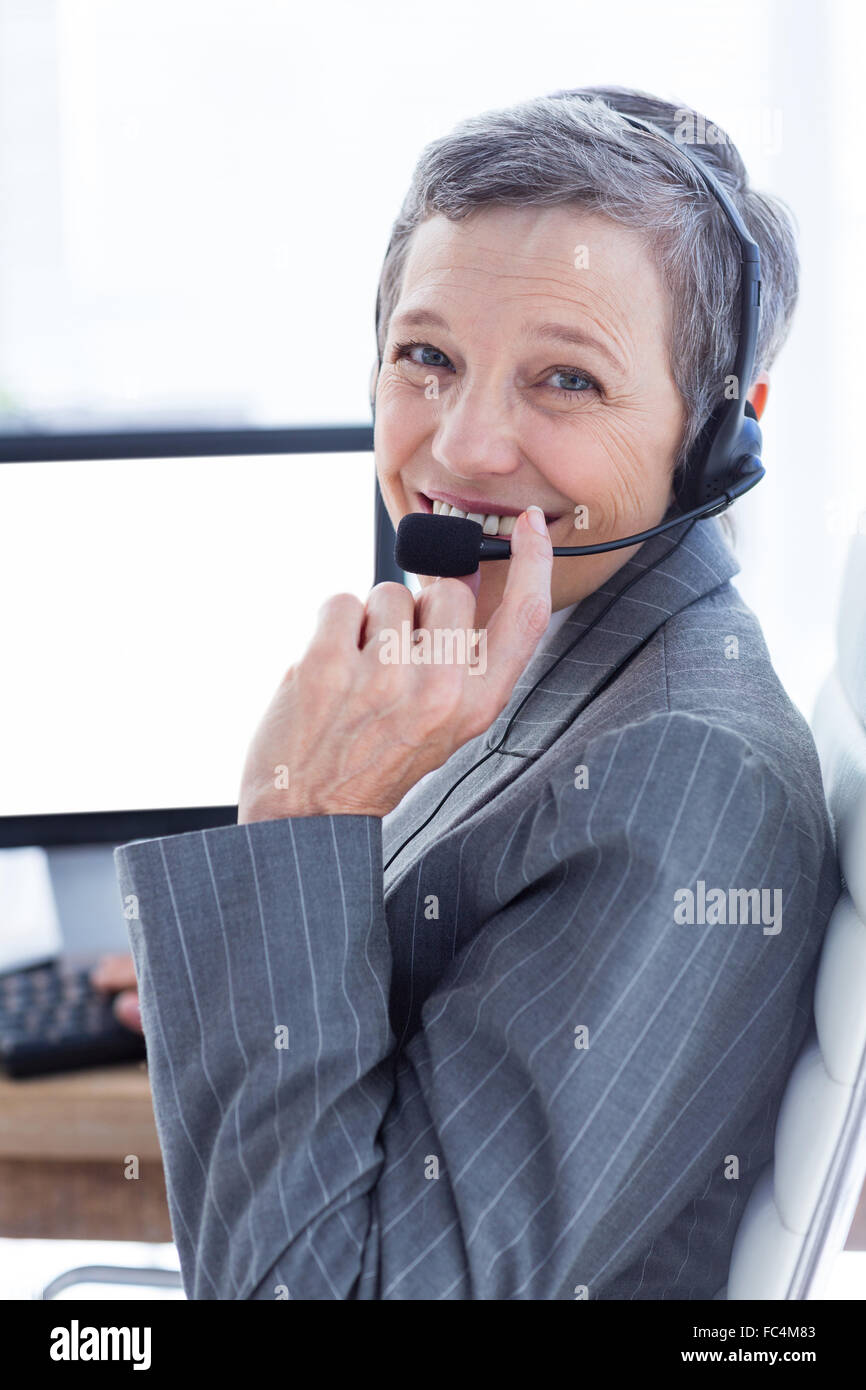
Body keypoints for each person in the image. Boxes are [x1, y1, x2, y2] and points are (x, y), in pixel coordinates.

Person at [97, 86, 840, 1299]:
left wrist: (295, 825)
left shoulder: (677, 775)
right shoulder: (532, 662)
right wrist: (250, 943)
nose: (462, 445)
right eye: (426, 358)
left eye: (565, 381)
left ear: (720, 440)